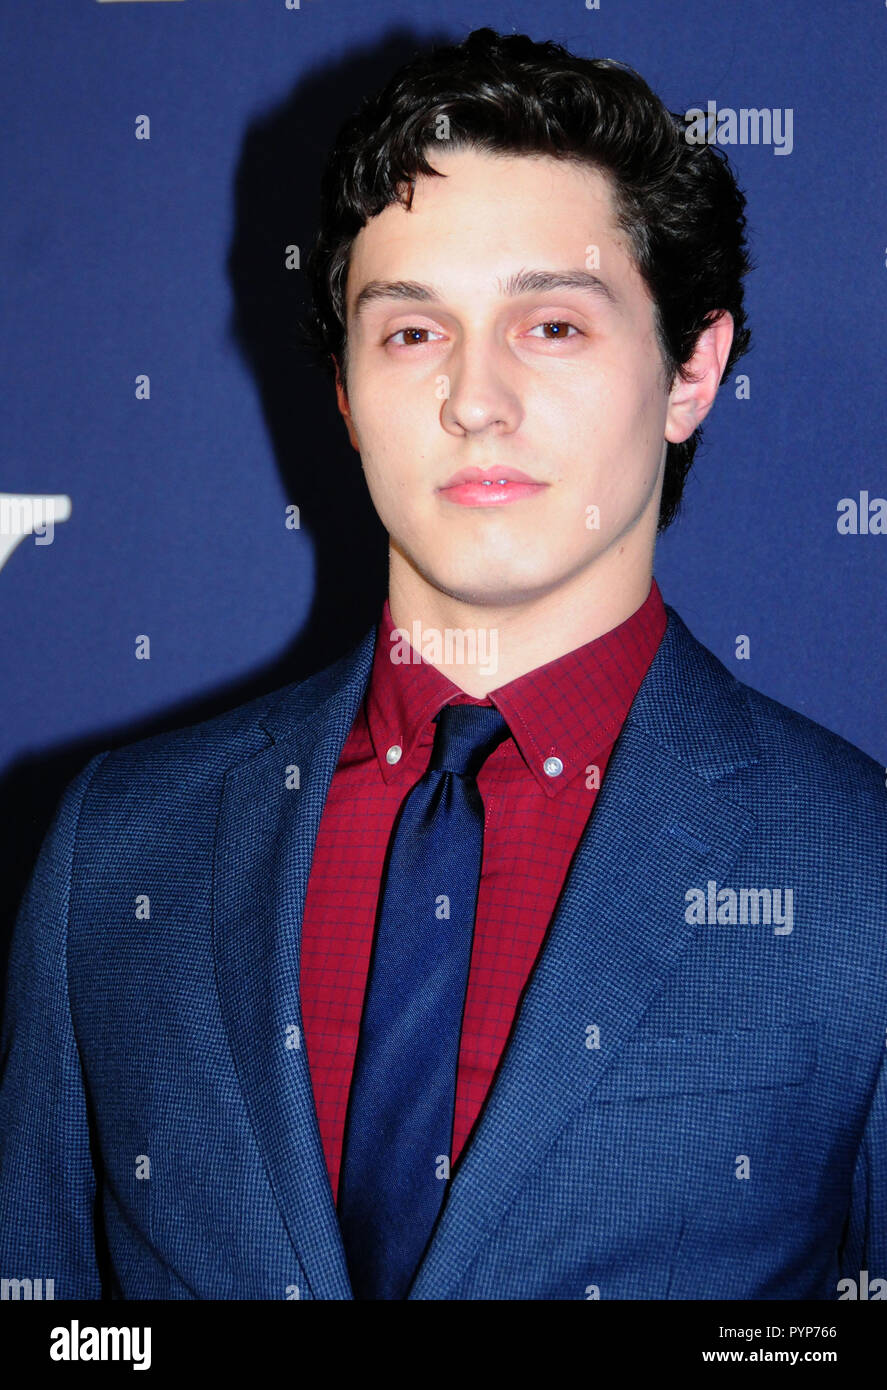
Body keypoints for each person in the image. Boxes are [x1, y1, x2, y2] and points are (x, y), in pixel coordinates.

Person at [1, 27, 884, 1302]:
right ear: (350, 391)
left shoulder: (854, 869)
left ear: (691, 367)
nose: (476, 396)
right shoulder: (117, 850)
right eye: (412, 333)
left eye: (552, 326)